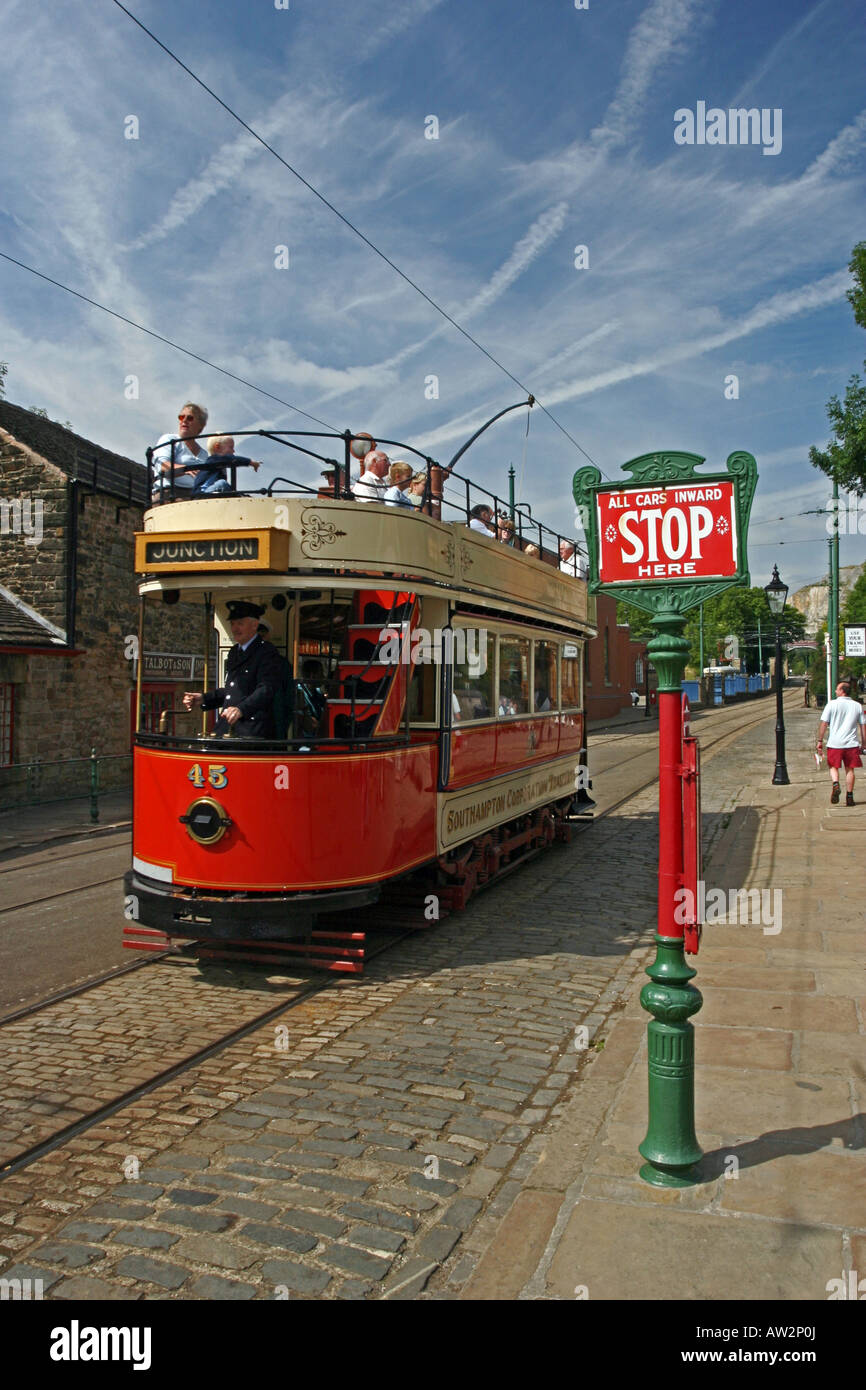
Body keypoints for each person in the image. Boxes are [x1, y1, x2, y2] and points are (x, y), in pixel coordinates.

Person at [183, 600, 283, 738]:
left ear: (254, 625)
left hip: (252, 730)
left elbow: (266, 689)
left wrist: (241, 710)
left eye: (240, 623)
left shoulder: (266, 651)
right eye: (233, 624)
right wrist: (204, 698)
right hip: (228, 726)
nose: (235, 628)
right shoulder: (234, 652)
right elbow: (233, 691)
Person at [817, 678, 866, 805]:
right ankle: (849, 797)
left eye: (837, 689)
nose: (835, 690)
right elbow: (863, 726)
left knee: (833, 767)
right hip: (851, 744)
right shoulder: (857, 706)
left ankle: (835, 784)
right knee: (850, 770)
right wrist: (864, 743)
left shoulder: (831, 704)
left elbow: (824, 724)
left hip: (835, 743)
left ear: (842, 691)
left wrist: (820, 741)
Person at [152, 402, 210, 501]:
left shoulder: (204, 454)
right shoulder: (170, 440)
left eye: (190, 418)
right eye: (181, 417)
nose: (184, 420)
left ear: (201, 425)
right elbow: (163, 466)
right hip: (170, 494)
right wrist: (186, 469)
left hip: (197, 496)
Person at [193, 435, 262, 495]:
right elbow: (232, 460)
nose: (233, 451)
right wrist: (251, 462)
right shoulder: (215, 459)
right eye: (231, 447)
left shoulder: (219, 462)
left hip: (208, 491)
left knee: (226, 486)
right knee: (222, 484)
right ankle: (237, 495)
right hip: (203, 492)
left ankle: (238, 495)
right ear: (217, 447)